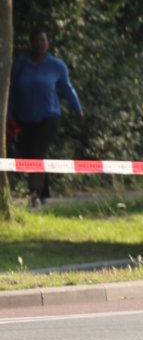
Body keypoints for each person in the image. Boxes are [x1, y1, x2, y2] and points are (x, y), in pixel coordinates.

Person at [8, 27, 84, 208]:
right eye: (37, 40)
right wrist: (8, 114)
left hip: (48, 117)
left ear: (48, 43)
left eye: (43, 40)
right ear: (31, 42)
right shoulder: (20, 63)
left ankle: (34, 194)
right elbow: (11, 89)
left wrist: (77, 107)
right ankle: (43, 192)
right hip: (24, 118)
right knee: (27, 154)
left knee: (37, 153)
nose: (40, 44)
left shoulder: (56, 65)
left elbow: (67, 88)